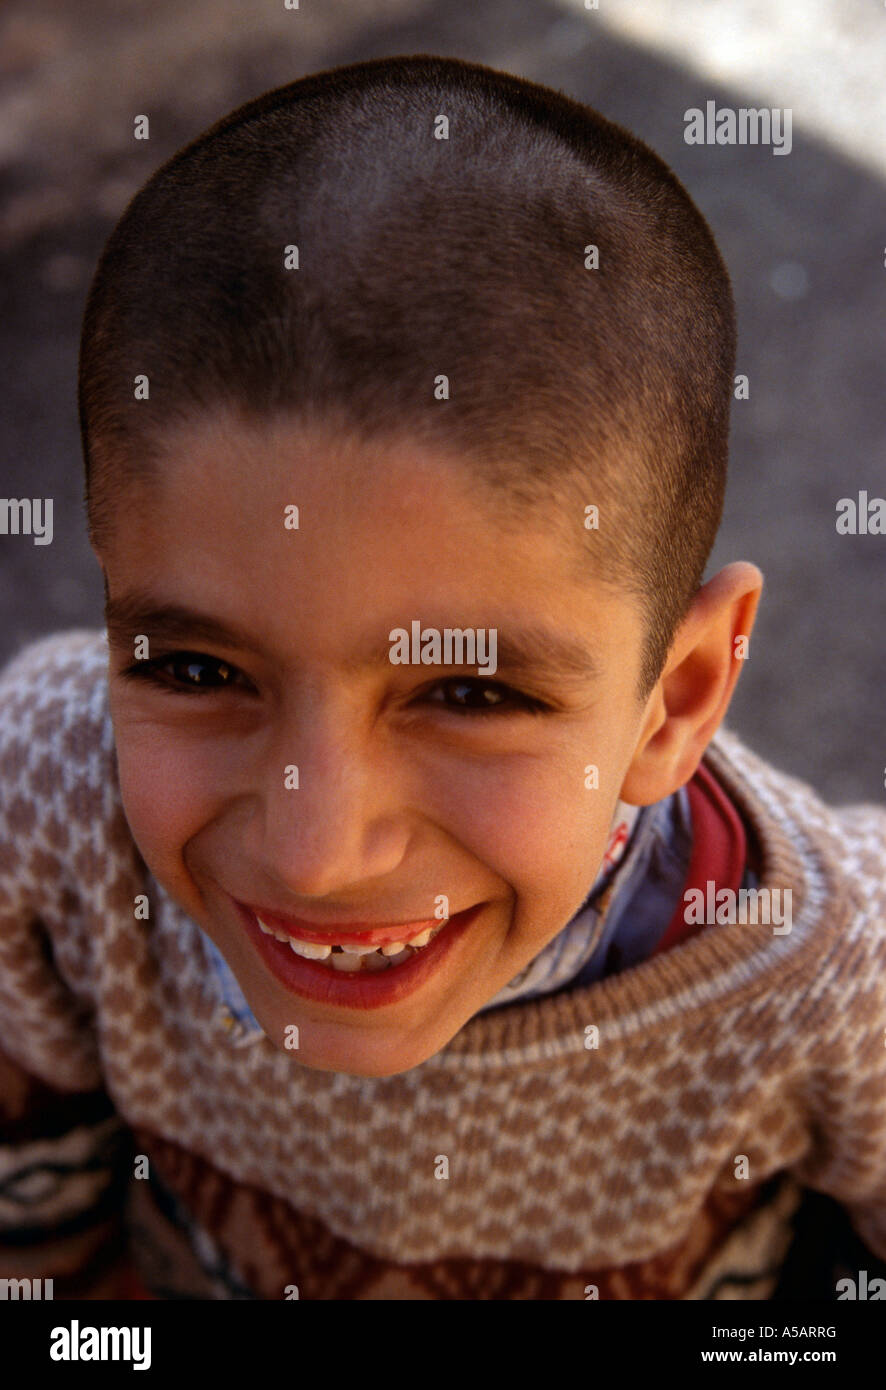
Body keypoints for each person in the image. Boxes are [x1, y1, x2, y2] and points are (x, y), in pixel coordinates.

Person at [1, 55, 884, 1300]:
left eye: (467, 693)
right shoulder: (47, 803)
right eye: (198, 668)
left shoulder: (832, 977)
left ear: (676, 696)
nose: (316, 851)